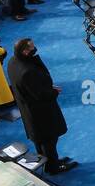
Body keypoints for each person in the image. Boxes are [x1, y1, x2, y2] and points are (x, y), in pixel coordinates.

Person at [7, 38, 73, 173]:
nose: (35, 49)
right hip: (41, 113)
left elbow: (30, 87)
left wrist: (45, 86)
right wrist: (53, 91)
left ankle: (49, 161)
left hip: (29, 111)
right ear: (25, 51)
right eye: (32, 48)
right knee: (49, 140)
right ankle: (53, 167)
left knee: (40, 140)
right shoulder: (27, 71)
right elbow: (41, 95)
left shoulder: (13, 62)